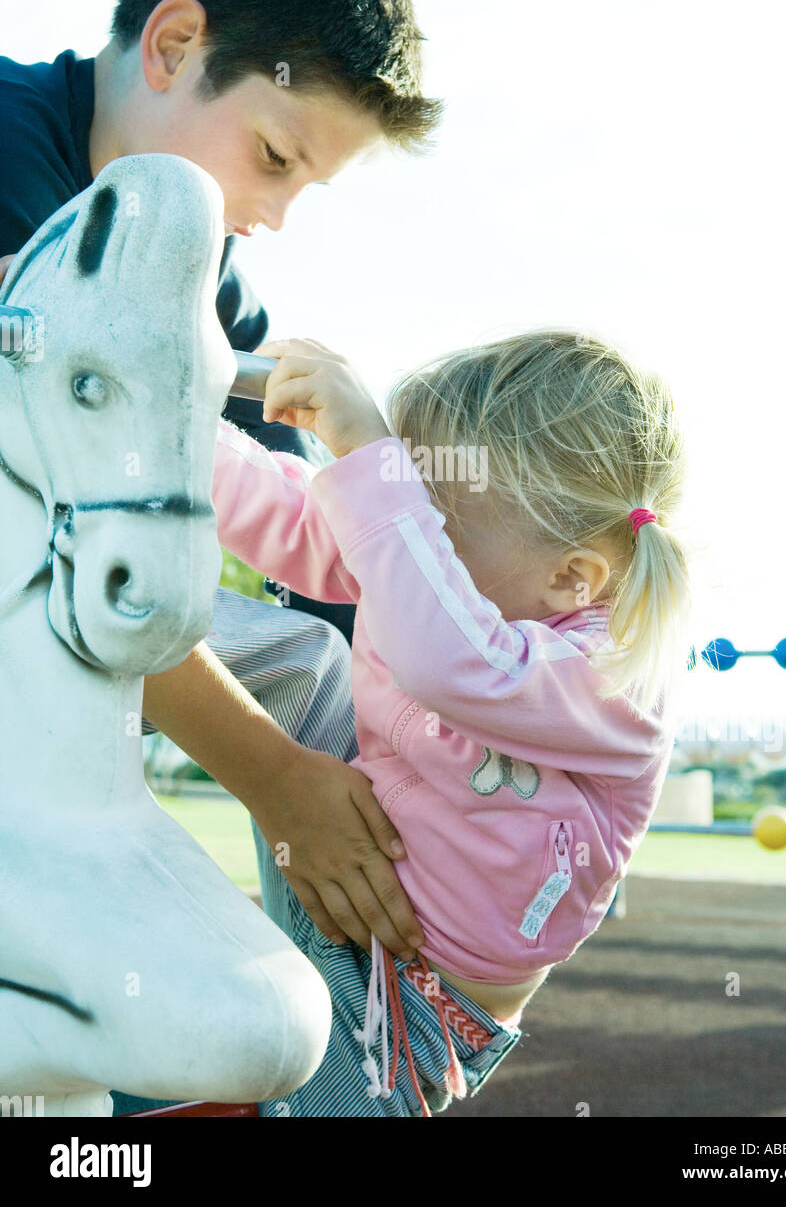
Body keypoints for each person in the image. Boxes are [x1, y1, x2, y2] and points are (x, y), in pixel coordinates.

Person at [0, 0, 446, 1114]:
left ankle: (351, 1075)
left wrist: (454, 717)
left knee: (319, 660)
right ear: (174, 45)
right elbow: (55, 554)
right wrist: (280, 784)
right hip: (23, 605)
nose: (274, 214)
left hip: (66, 612)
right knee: (284, 704)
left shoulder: (204, 288)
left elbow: (309, 528)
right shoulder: (7, 158)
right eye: (275, 158)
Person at [208, 327, 695, 1116]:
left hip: (404, 1012)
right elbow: (296, 521)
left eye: (428, 517)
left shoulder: (616, 671)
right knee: (305, 655)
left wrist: (372, 460)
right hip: (346, 860)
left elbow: (454, 662)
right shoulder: (421, 567)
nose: (401, 531)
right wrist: (153, 399)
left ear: (570, 577)